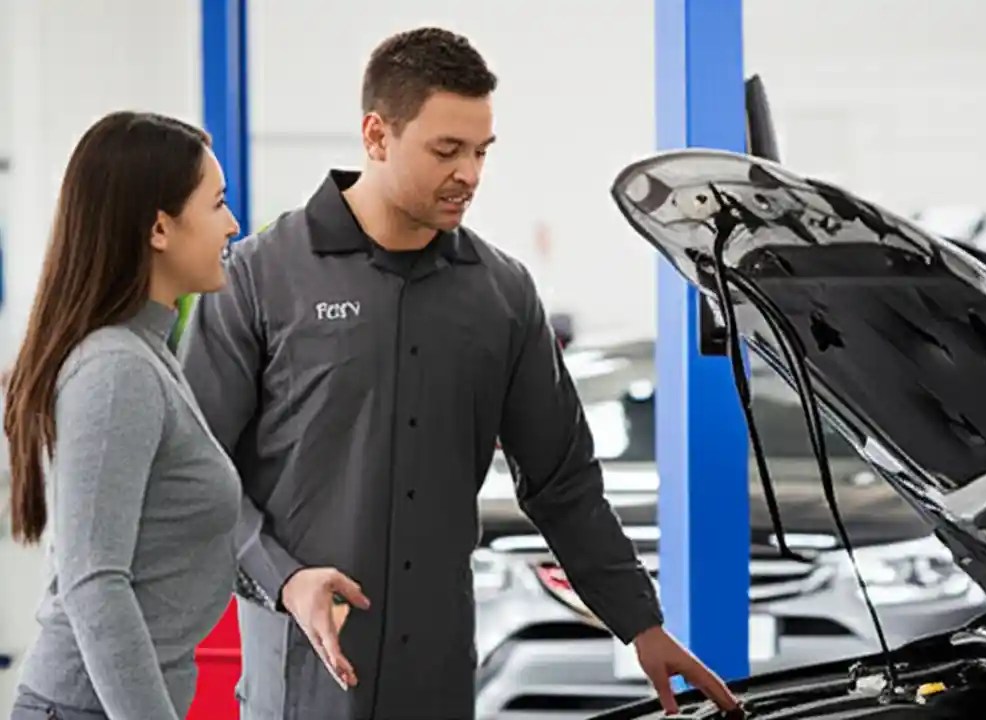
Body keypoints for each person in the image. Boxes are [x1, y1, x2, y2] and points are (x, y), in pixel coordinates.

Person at [178, 26, 739, 720]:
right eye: (447, 151)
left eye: (480, 151)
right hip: (302, 683)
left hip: (438, 683)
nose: (470, 173)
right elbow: (196, 476)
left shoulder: (500, 294)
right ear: (377, 136)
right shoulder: (261, 278)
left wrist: (641, 624)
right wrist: (283, 579)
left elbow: (562, 482)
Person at [5, 111, 243, 719]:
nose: (233, 226)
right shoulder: (116, 368)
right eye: (217, 205)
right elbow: (95, 582)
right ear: (160, 228)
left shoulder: (146, 355)